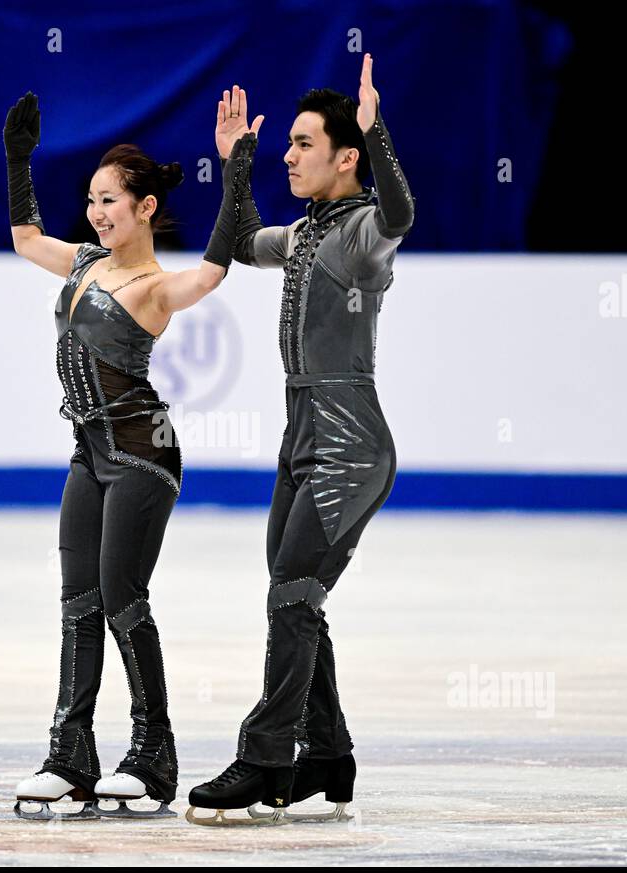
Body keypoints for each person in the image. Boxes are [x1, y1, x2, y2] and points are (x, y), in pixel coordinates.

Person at [4, 91, 257, 819]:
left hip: (144, 456)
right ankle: (71, 753)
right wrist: (19, 157)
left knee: (122, 600)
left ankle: (153, 755)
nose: (97, 212)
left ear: (145, 208)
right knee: (78, 603)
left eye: (111, 200)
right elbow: (26, 237)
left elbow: (213, 272)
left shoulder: (153, 287)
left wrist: (234, 172)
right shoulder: (83, 262)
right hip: (88, 453)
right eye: (91, 200)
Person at [187, 54, 415, 826]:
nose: (289, 154)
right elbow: (247, 238)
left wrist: (379, 131)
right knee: (293, 597)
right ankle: (326, 755)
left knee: (291, 594)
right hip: (302, 436)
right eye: (285, 143)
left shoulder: (360, 237)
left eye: (302, 143)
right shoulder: (307, 233)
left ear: (345, 157)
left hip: (349, 446)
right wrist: (235, 167)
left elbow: (400, 217)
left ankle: (264, 758)